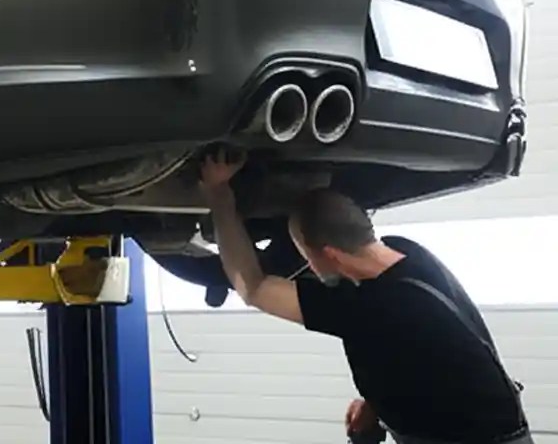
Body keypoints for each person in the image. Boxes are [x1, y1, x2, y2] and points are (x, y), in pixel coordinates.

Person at [199, 151, 531, 444]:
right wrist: (377, 402)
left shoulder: (367, 309)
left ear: (331, 255)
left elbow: (254, 288)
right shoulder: (408, 252)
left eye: (305, 255)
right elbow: (419, 347)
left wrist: (219, 195)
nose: (305, 265)